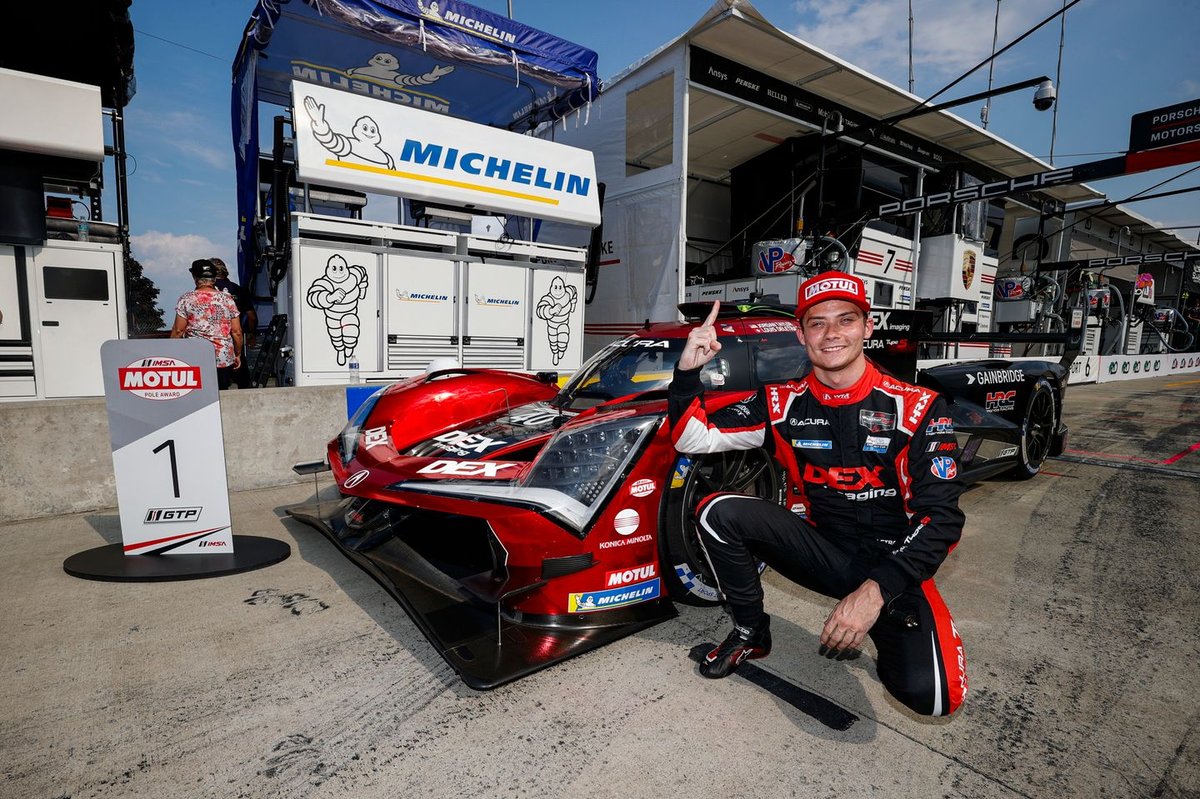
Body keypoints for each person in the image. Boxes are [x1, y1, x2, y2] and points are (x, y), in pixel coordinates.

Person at [668, 272, 967, 717]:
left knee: (934, 697)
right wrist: (688, 372)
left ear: (868, 327)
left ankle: (884, 618)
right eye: (817, 322)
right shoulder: (781, 401)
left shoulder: (919, 406)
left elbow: (941, 519)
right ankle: (751, 631)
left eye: (845, 320)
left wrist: (874, 594)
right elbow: (692, 438)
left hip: (893, 567)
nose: (831, 334)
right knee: (717, 512)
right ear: (801, 333)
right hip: (823, 549)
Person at [170, 259, 243, 390]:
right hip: (223, 357)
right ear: (213, 279)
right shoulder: (227, 299)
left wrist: (172, 355)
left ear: (195, 277)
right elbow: (237, 331)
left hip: (195, 355)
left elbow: (178, 331)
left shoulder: (186, 299)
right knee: (221, 394)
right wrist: (237, 354)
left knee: (199, 395)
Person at [211, 257, 257, 388]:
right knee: (243, 380)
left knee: (219, 383)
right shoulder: (239, 290)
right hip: (235, 337)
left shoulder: (207, 292)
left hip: (214, 340)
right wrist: (251, 334)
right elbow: (252, 316)